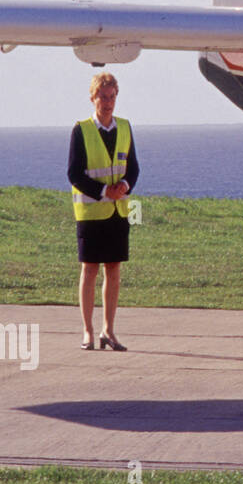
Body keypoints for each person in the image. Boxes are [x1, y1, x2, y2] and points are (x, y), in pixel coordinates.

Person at [68, 72, 139, 351]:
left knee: (114, 269)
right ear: (92, 98)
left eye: (111, 97)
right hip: (91, 214)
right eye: (102, 97)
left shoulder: (125, 127)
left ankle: (108, 330)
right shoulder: (81, 130)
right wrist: (102, 191)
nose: (107, 103)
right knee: (90, 269)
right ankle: (87, 331)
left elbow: (133, 167)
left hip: (118, 213)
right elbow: (74, 173)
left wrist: (124, 184)